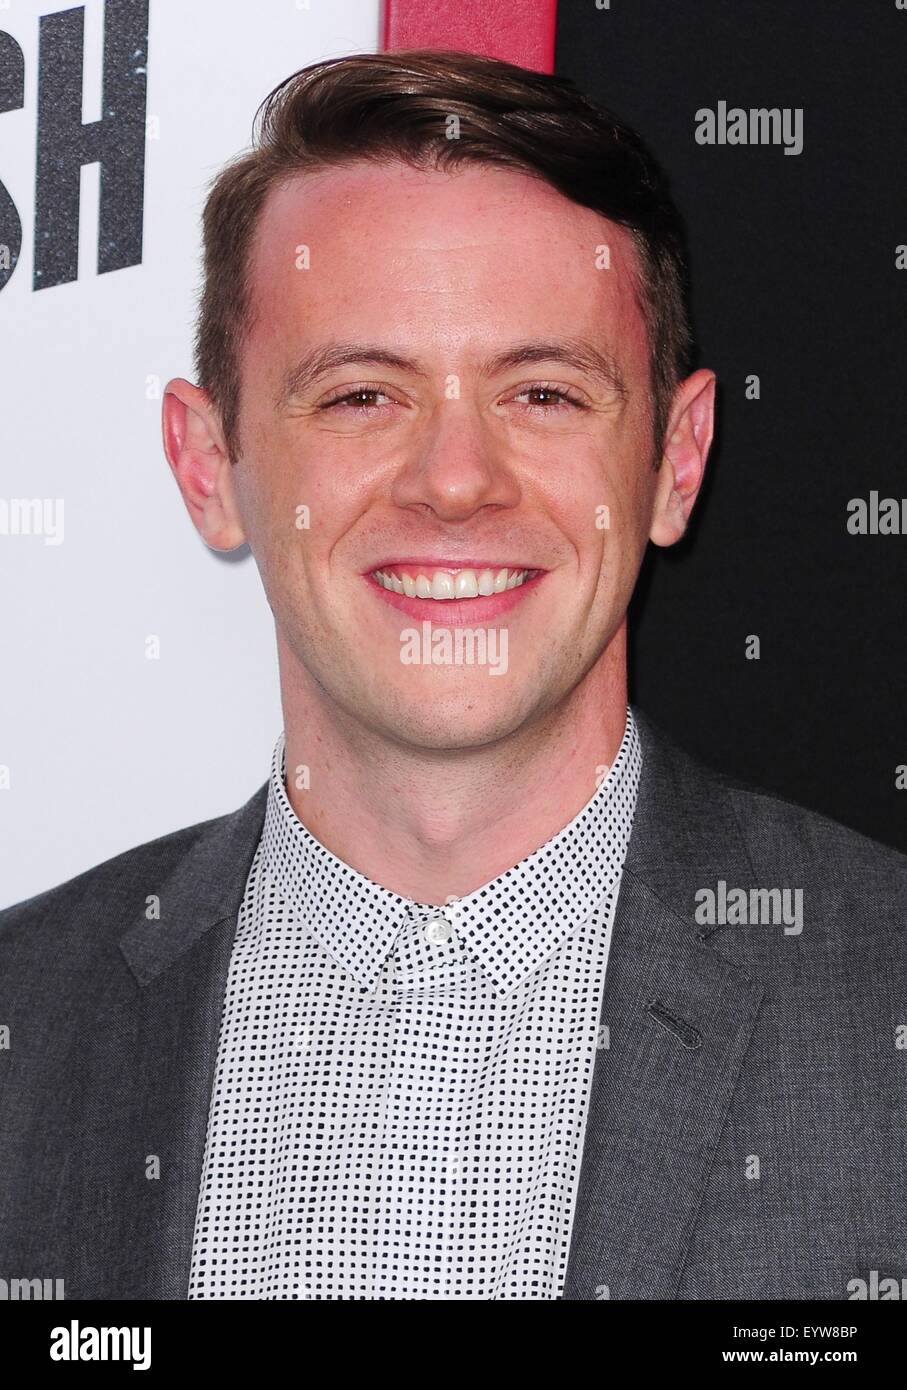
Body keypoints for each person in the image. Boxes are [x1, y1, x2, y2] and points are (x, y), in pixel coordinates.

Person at [1, 49, 904, 1302]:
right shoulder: (23, 1029)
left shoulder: (882, 998)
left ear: (675, 460)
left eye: (542, 392)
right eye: (363, 393)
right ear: (209, 465)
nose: (455, 480)